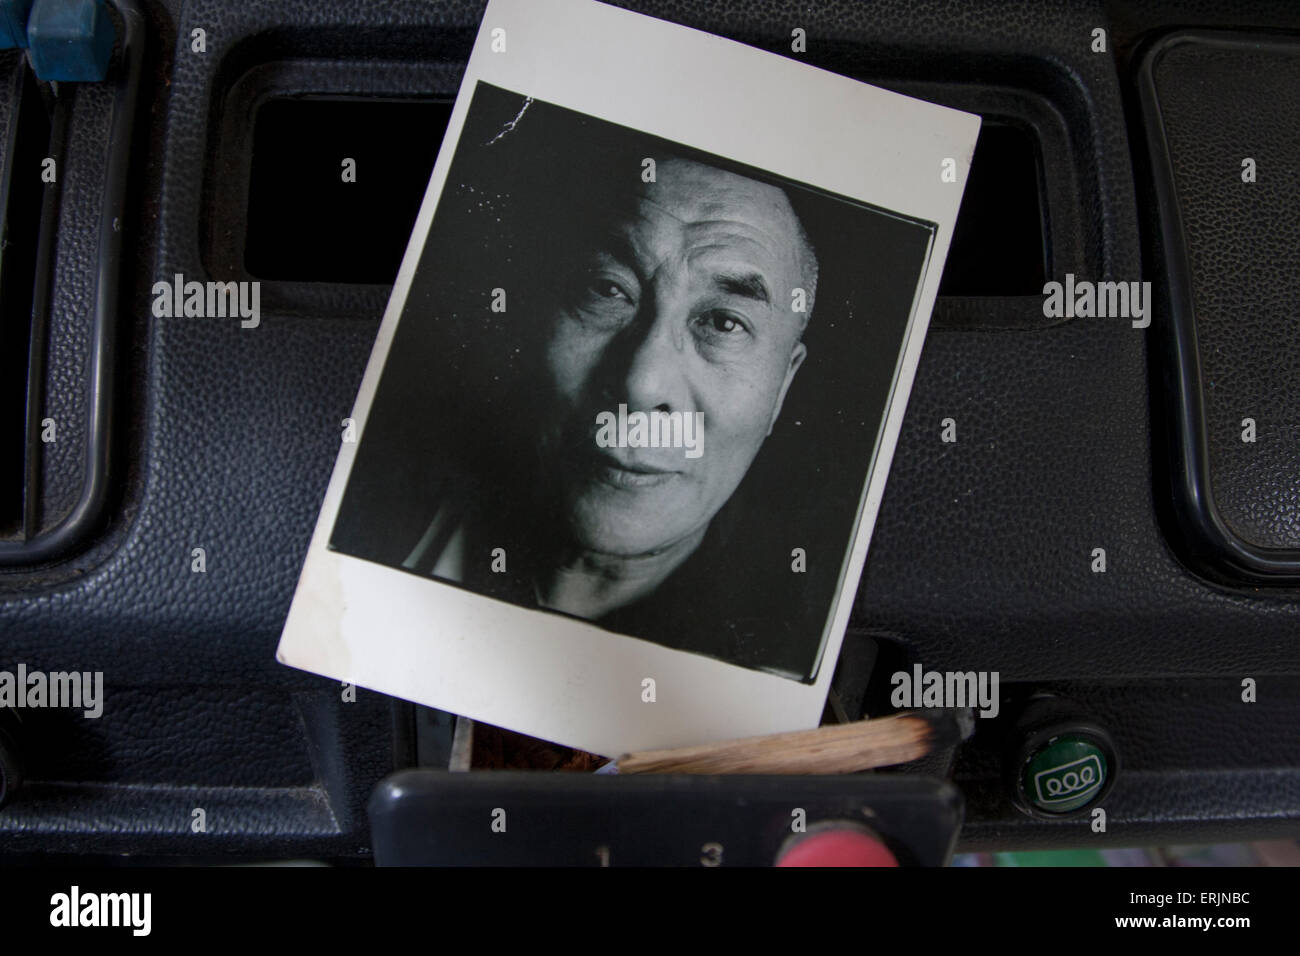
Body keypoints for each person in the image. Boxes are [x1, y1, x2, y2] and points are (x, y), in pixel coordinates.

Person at [402, 154, 819, 654]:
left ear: (783, 386)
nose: (641, 384)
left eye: (724, 323)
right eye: (608, 289)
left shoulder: (789, 666)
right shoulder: (382, 531)